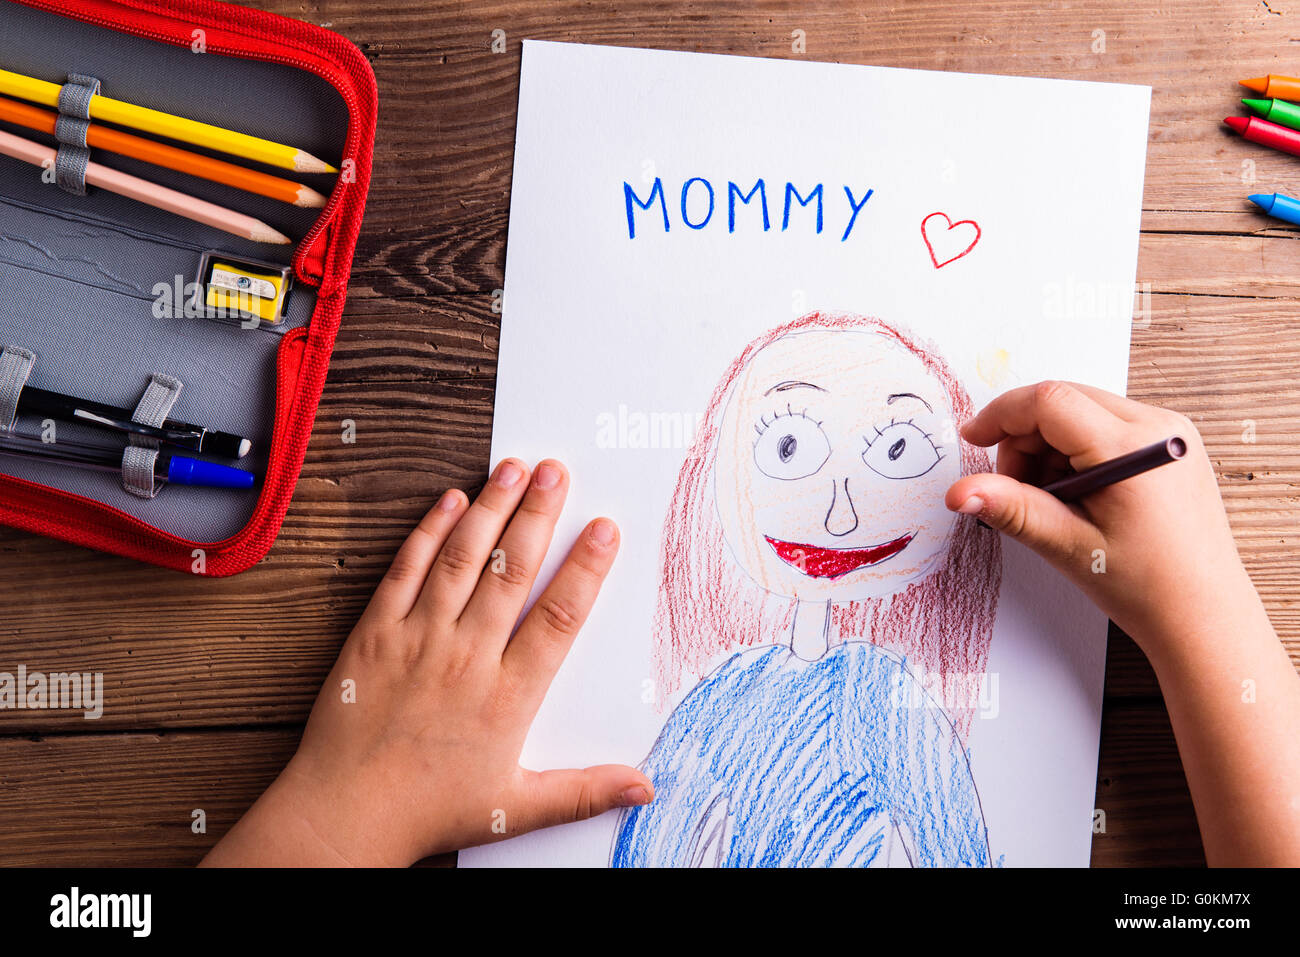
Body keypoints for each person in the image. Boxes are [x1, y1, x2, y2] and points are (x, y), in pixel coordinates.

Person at [201, 381, 1300, 867]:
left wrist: (342, 830)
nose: (835, 507)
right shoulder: (723, 710)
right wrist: (1207, 621)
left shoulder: (897, 716)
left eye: (895, 449)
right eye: (785, 447)